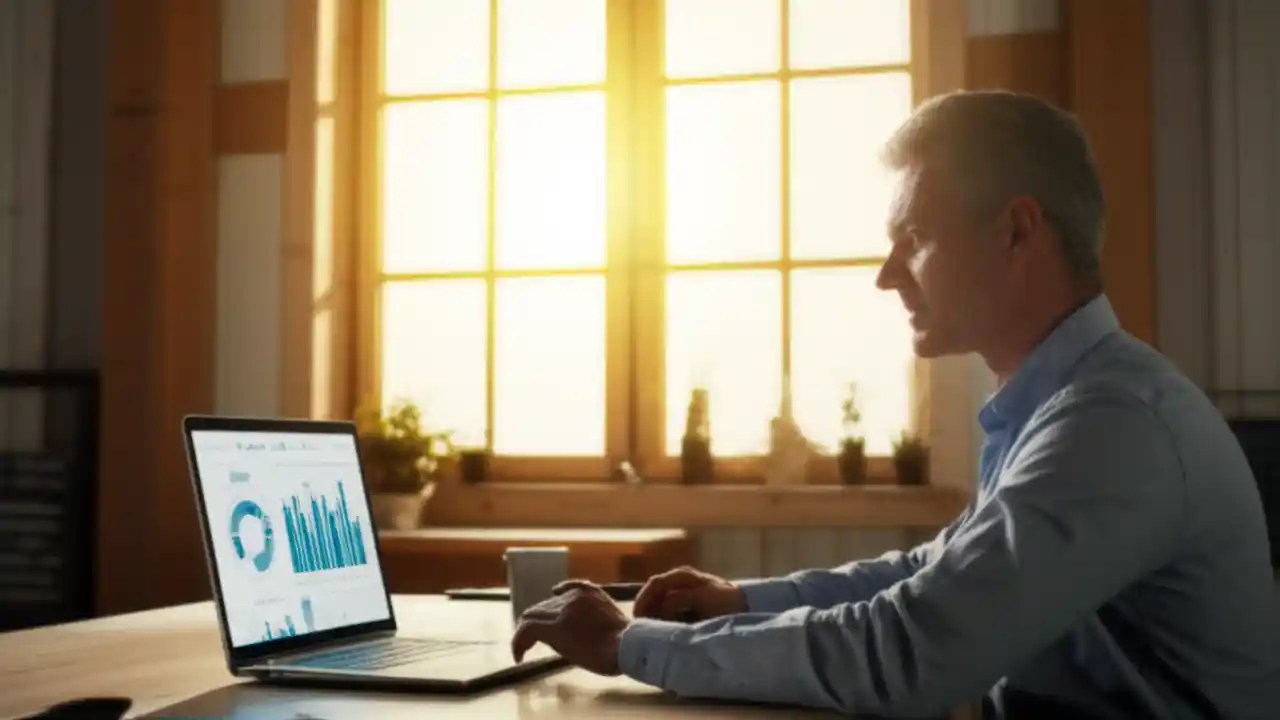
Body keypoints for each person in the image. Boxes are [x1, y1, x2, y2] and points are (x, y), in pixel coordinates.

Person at [510, 91, 1279, 718]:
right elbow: (936, 571)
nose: (886, 275)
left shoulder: (1113, 426)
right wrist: (742, 598)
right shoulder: (1066, 404)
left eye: (911, 235)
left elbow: (909, 651)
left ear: (1015, 230)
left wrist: (627, 646)